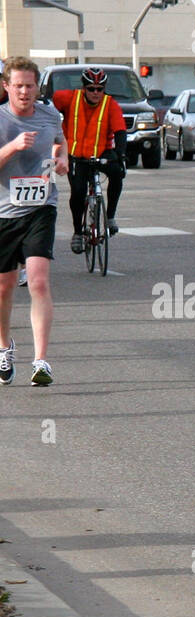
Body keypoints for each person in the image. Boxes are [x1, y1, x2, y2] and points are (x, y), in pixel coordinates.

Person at [0, 56, 68, 387]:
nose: (25, 92)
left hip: (41, 205)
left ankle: (41, 360)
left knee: (39, 281)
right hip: (3, 212)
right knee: (3, 287)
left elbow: (59, 139)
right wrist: (12, 147)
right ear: (7, 87)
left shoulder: (48, 113)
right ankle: (4, 348)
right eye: (19, 86)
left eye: (30, 86)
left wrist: (62, 158)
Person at [52, 68, 126, 252]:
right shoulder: (69, 98)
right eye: (91, 88)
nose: (96, 93)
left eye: (100, 89)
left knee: (117, 173)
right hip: (76, 155)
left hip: (102, 152)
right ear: (84, 88)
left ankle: (110, 217)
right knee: (77, 192)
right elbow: (48, 104)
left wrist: (121, 155)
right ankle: (78, 232)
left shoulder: (111, 104)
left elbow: (120, 131)